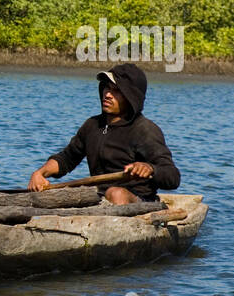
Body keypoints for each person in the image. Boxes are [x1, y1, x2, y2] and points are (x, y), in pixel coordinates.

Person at [27, 63, 180, 204]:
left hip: (137, 201)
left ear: (131, 97)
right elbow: (67, 159)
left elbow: (172, 177)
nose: (107, 95)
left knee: (115, 194)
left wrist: (150, 168)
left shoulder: (145, 130)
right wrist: (40, 173)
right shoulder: (93, 125)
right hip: (98, 197)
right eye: (107, 88)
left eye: (116, 91)